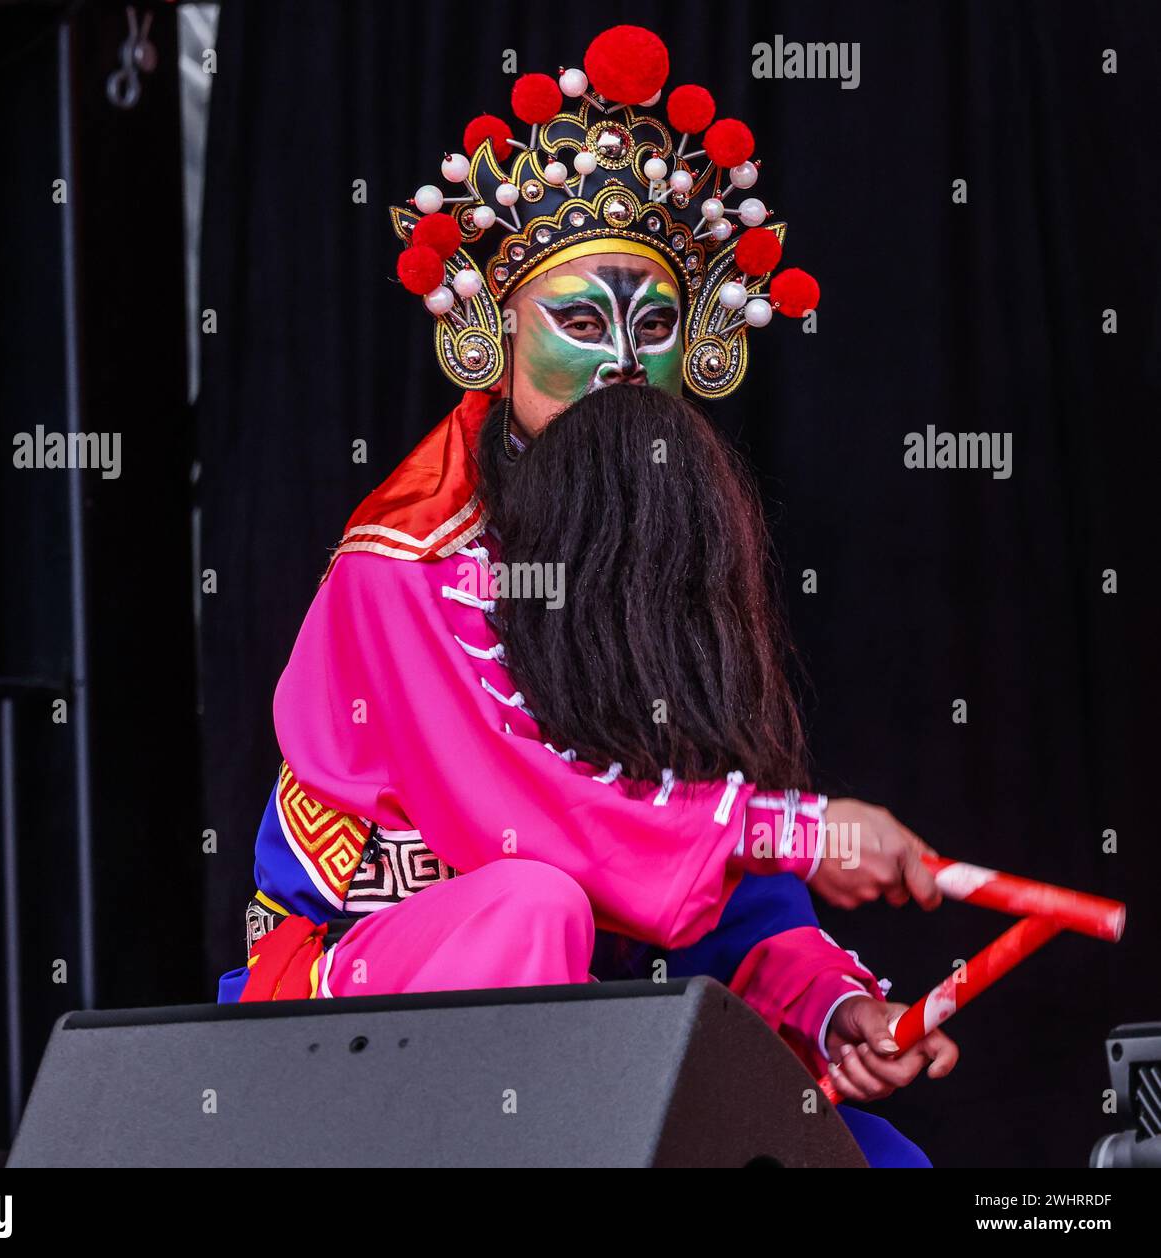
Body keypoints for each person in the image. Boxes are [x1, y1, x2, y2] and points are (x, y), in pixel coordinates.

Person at [217, 24, 956, 1166]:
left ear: (695, 350)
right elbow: (526, 817)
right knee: (529, 906)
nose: (621, 362)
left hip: (592, 1029)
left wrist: (829, 1007)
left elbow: (717, 878)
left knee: (868, 1157)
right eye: (578, 320)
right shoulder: (398, 564)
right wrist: (802, 828)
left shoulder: (662, 556)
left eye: (653, 326)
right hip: (348, 1018)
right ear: (489, 339)